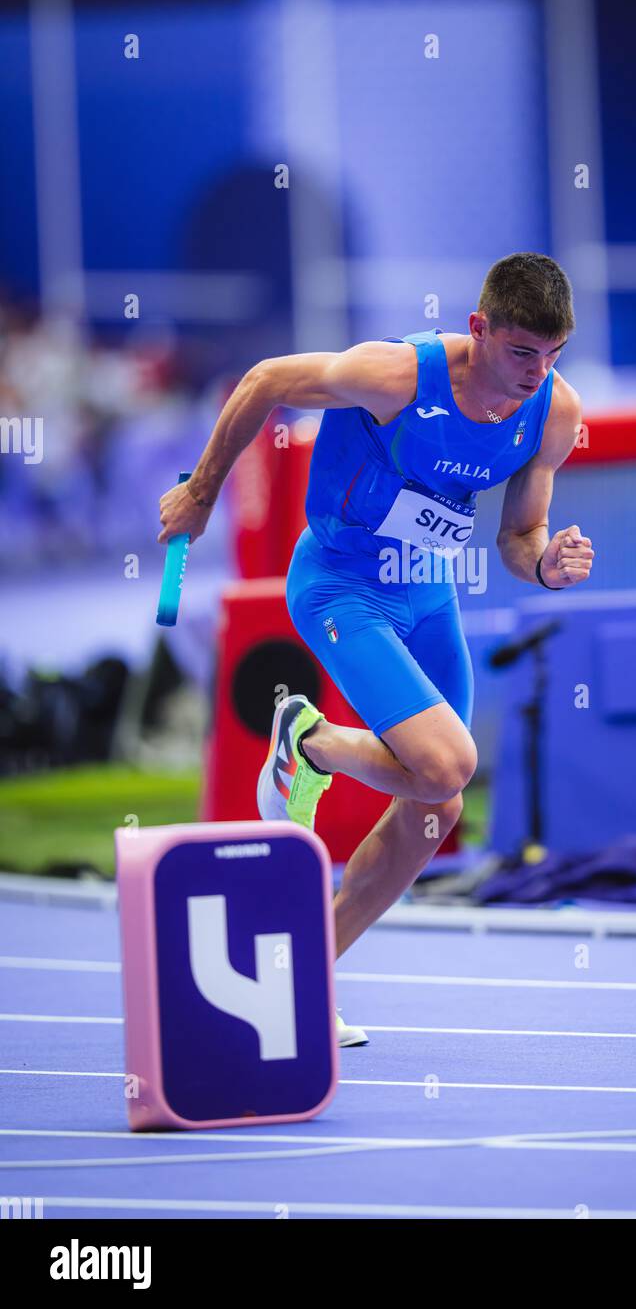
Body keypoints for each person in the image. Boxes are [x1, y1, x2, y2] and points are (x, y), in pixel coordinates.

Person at [159, 252, 595, 1045]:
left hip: (428, 594)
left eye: (552, 355)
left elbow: (518, 534)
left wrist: (546, 564)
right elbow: (262, 381)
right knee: (448, 767)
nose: (537, 373)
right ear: (480, 328)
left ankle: (298, 984)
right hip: (339, 587)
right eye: (521, 352)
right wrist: (200, 492)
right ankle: (310, 742)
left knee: (435, 811)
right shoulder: (396, 376)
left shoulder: (554, 413)